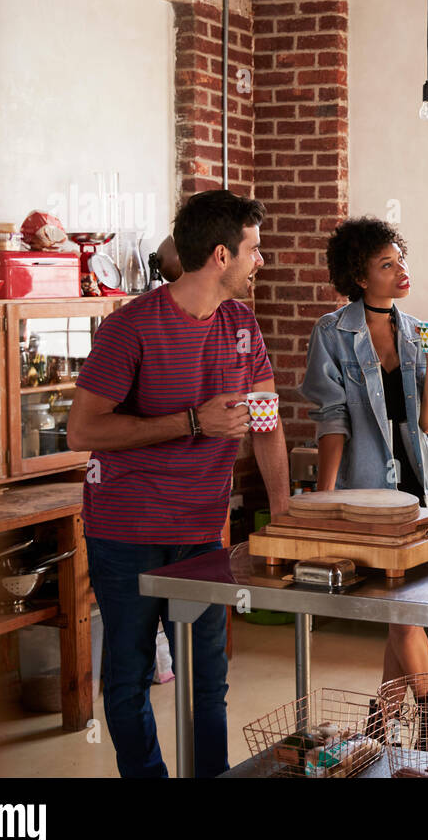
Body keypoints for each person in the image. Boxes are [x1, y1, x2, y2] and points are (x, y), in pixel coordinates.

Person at [67, 189, 290, 778]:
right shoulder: (131, 327)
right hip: (126, 533)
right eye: (254, 250)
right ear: (221, 255)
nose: (259, 261)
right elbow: (82, 430)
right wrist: (192, 422)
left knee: (206, 677)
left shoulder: (244, 327)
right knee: (129, 672)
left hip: (201, 535)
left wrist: (285, 510)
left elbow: (266, 426)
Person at [299, 217, 428, 748]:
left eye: (401, 260)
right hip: (366, 489)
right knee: (402, 607)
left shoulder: (414, 331)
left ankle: (381, 724)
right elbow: (332, 417)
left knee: (399, 606)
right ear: (361, 277)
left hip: (416, 486)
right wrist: (324, 498)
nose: (401, 270)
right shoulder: (333, 332)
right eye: (387, 264)